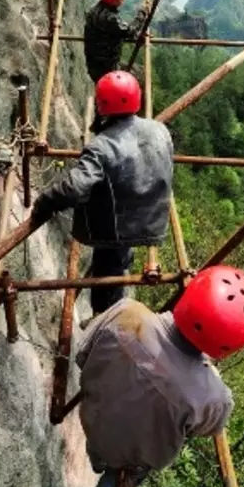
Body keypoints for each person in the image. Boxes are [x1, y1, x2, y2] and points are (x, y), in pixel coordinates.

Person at [75, 265, 244, 487]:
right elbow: (205, 430)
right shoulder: (214, 398)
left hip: (92, 419)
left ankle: (98, 458)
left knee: (106, 441)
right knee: (123, 473)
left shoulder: (127, 311)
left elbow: (82, 356)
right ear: (228, 346)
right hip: (130, 457)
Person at [31, 71, 173, 315]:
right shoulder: (160, 130)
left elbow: (75, 188)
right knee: (119, 259)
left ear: (102, 105)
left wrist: (44, 203)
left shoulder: (103, 145)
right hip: (151, 222)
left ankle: (104, 317)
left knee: (107, 275)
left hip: (114, 230)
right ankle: (116, 288)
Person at [84, 0, 152, 84]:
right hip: (106, 67)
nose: (122, 0)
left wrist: (136, 35)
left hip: (94, 63)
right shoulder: (110, 18)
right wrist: (142, 13)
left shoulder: (94, 10)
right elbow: (128, 31)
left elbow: (114, 33)